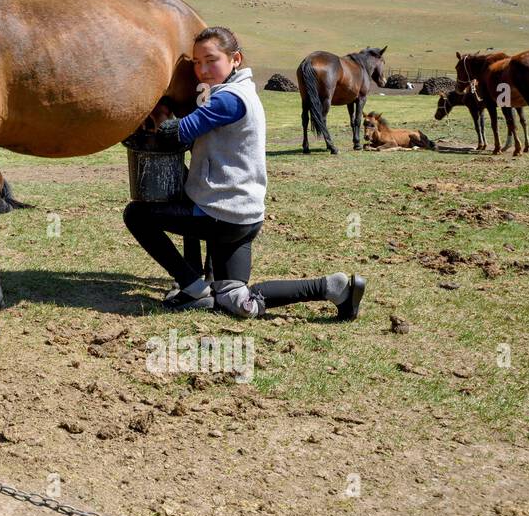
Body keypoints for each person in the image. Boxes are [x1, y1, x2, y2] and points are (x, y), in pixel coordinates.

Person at [122, 26, 365, 320]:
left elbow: (174, 134)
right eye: (196, 62)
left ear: (235, 59)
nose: (202, 70)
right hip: (244, 216)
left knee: (136, 215)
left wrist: (136, 121)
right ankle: (334, 287)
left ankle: (193, 287)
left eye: (211, 60)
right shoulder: (243, 92)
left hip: (222, 215)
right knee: (238, 301)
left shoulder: (228, 99)